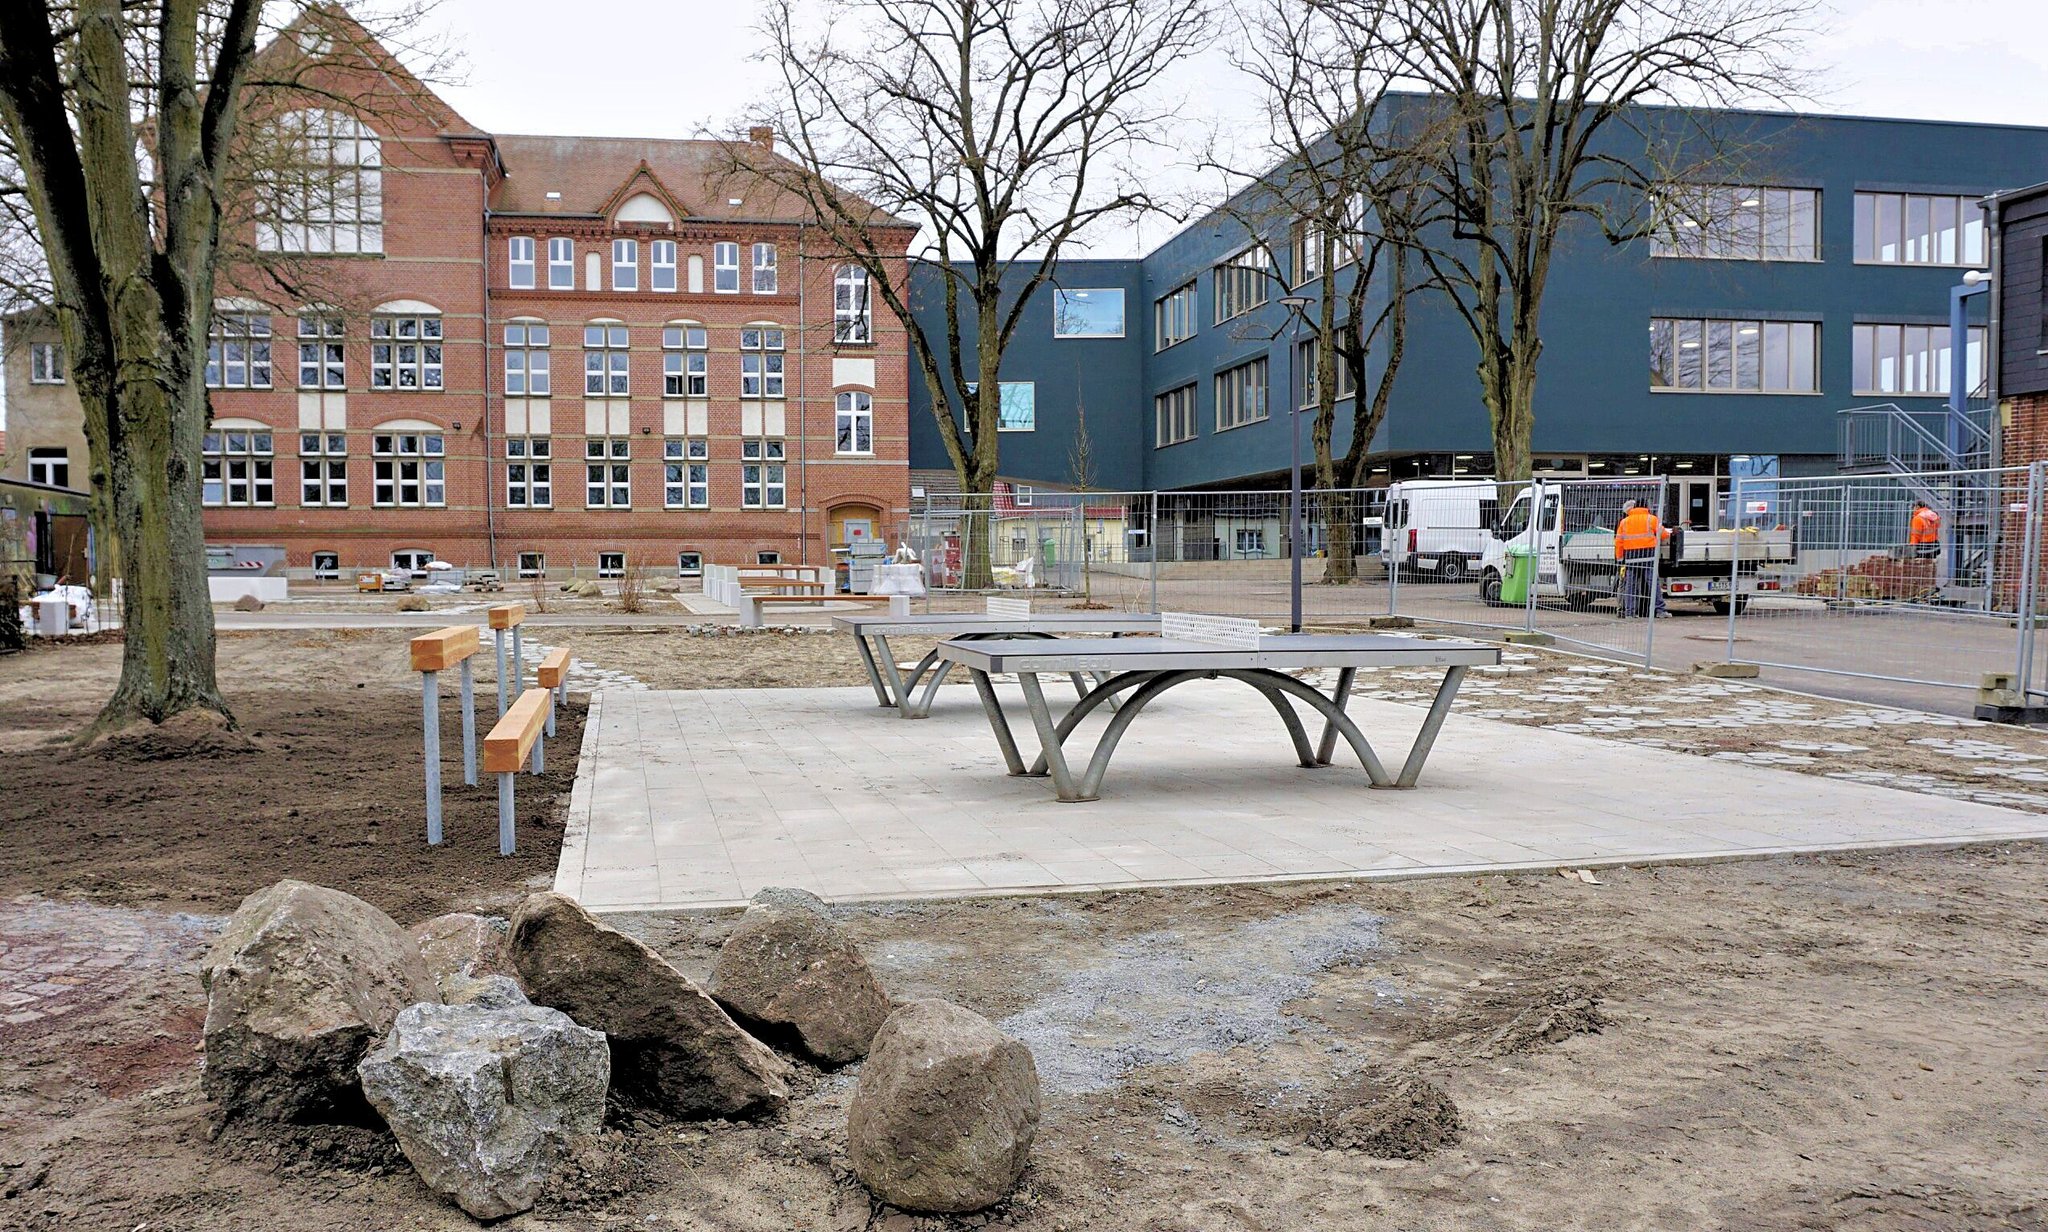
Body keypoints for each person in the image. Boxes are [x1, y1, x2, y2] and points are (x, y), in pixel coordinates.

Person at [1614, 500, 1671, 618]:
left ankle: (1630, 612)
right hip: (1648, 554)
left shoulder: (1624, 522)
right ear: (1646, 507)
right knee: (1652, 583)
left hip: (1631, 555)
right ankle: (1660, 610)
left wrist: (1620, 558)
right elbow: (1664, 534)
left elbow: (1619, 542)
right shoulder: (1652, 519)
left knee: (1631, 584)